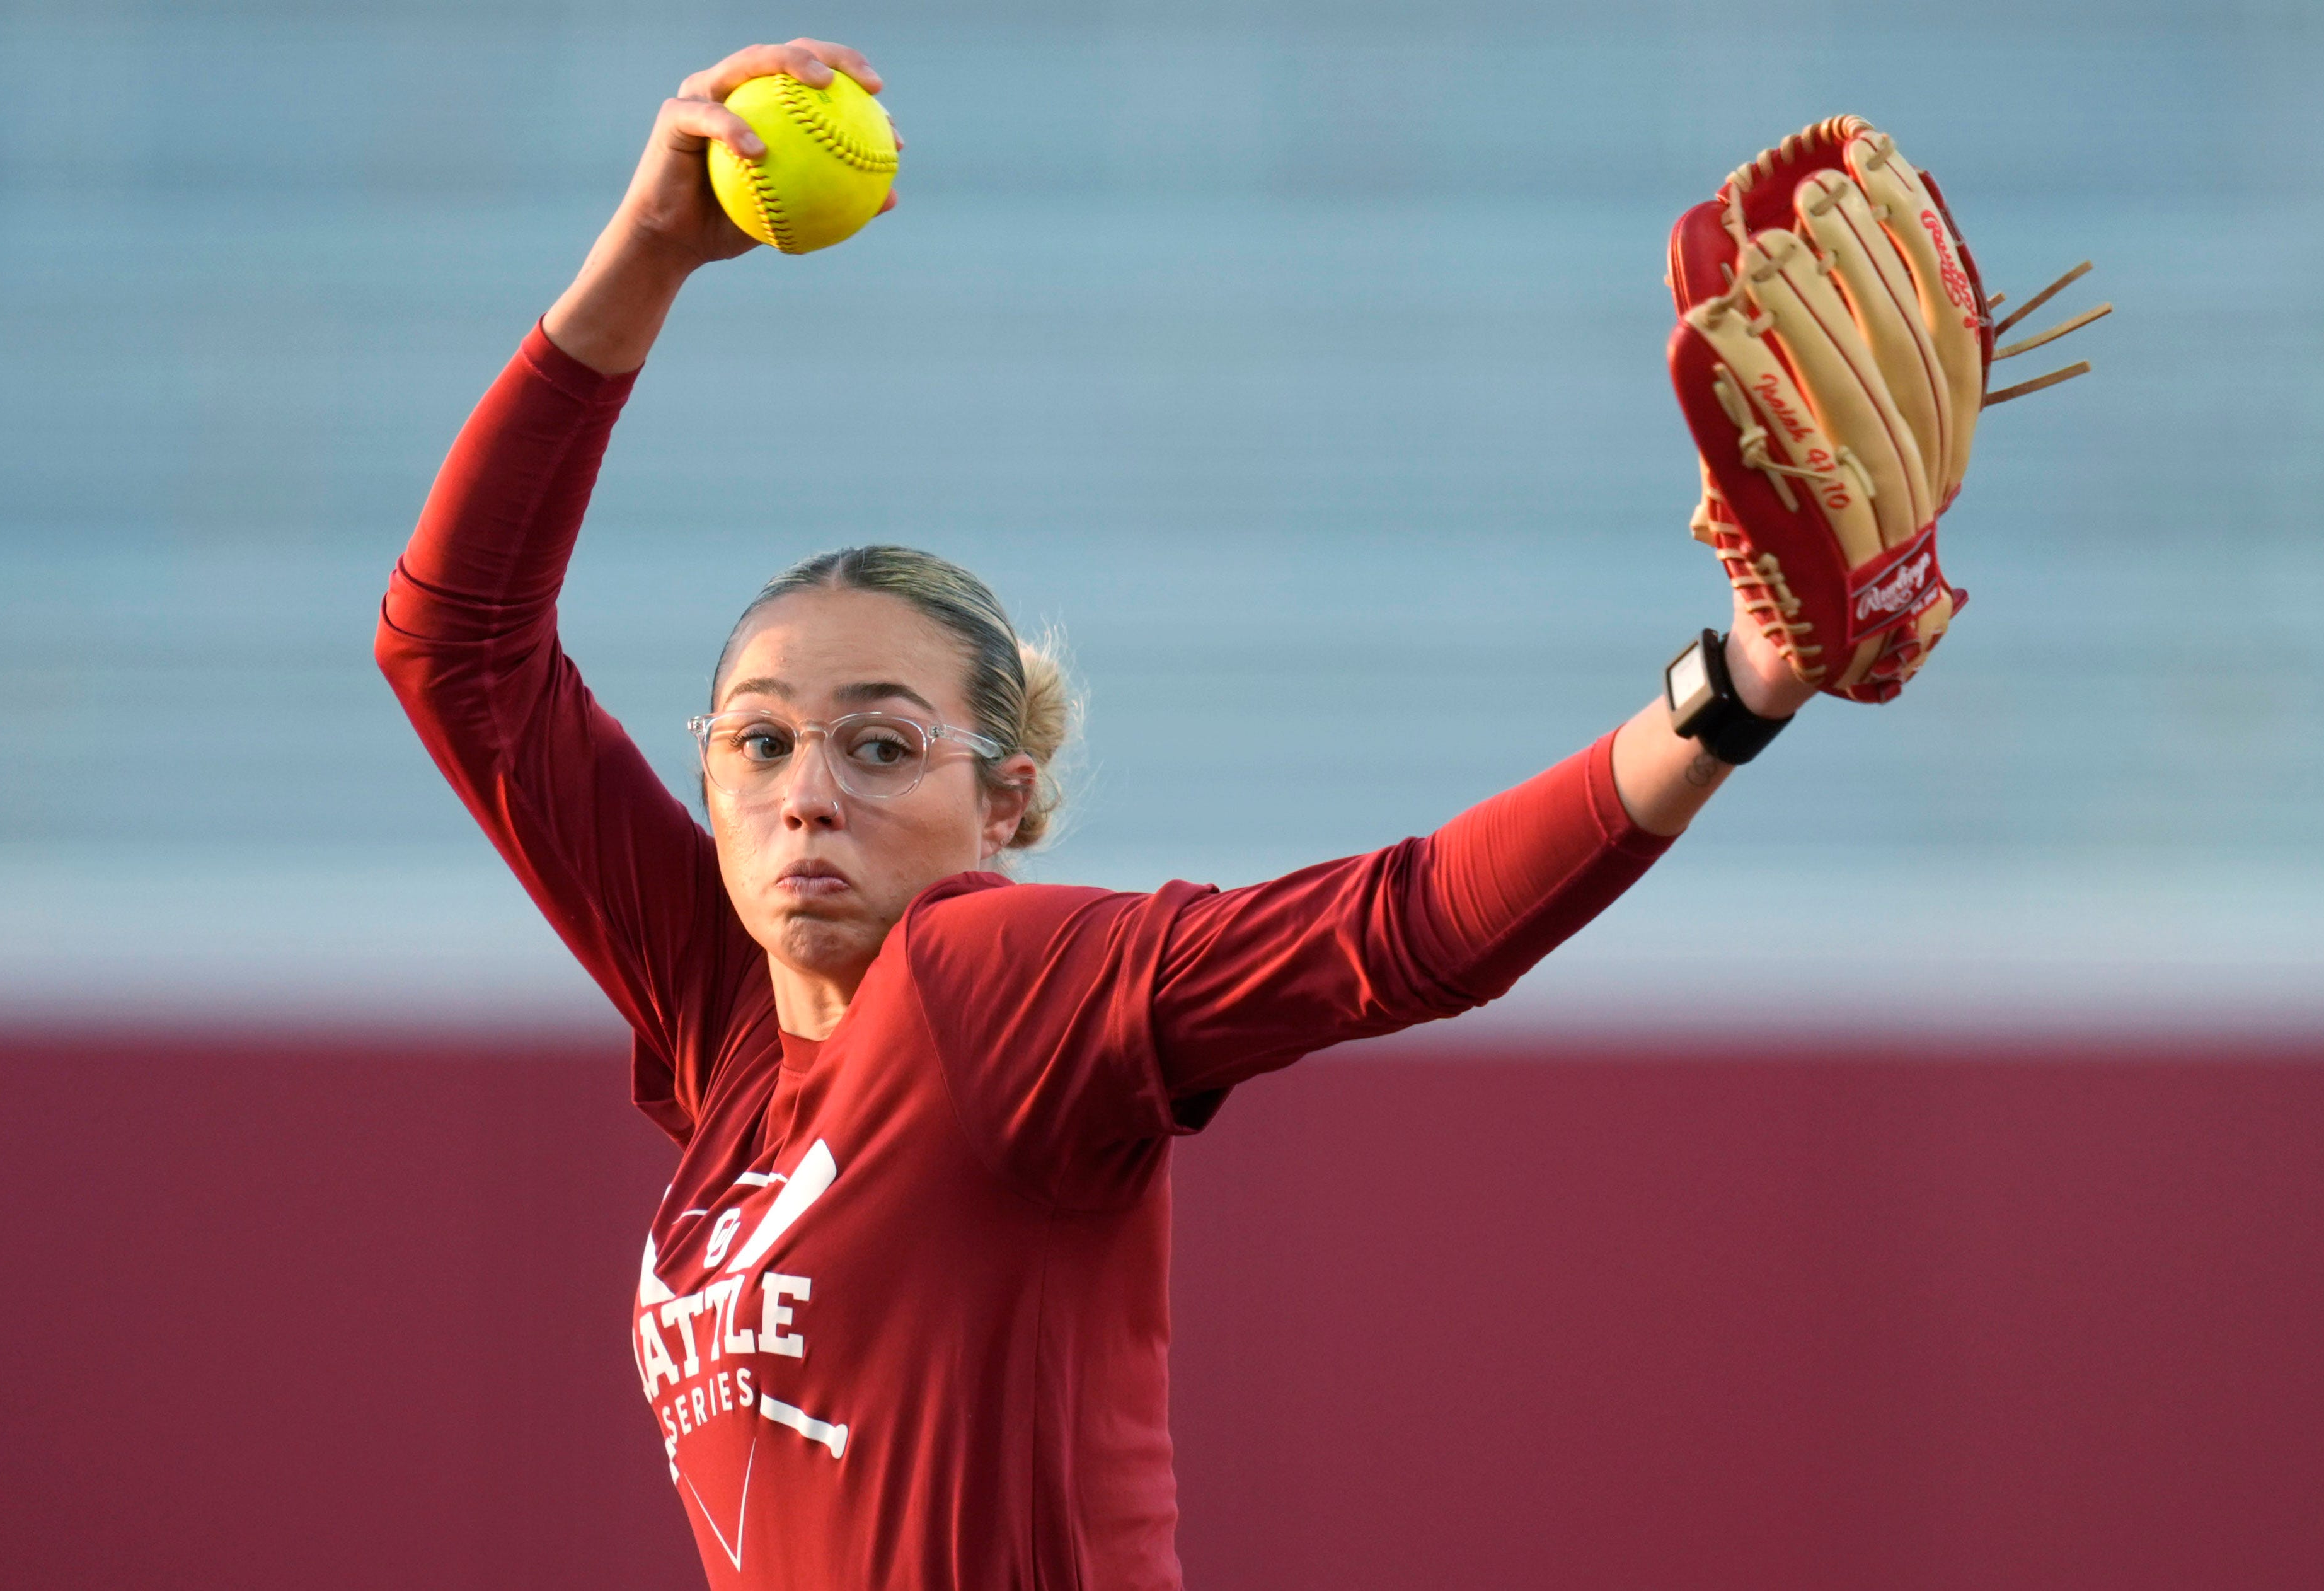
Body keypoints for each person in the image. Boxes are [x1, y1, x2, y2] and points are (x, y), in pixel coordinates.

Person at [375, 37, 1816, 1591]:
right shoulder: (728, 1021)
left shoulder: (988, 984)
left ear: (1004, 797)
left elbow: (1400, 929)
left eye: (881, 746)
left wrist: (1737, 685)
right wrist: (646, 255)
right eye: (761, 741)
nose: (807, 795)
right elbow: (454, 650)